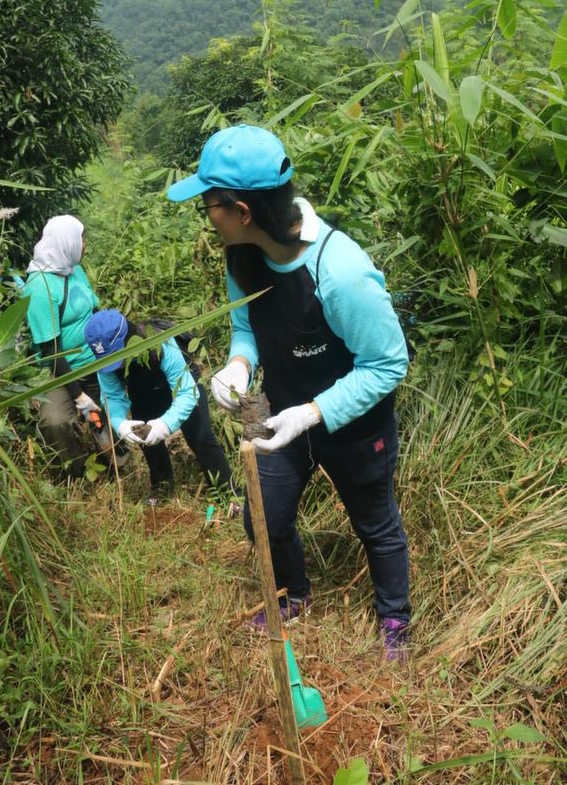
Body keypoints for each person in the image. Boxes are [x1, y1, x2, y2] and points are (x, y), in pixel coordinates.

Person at [167, 125, 410, 658]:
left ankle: (394, 623)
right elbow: (248, 329)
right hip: (278, 412)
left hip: (353, 421)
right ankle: (292, 596)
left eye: (210, 203)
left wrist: (315, 413)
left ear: (242, 211)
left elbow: (388, 364)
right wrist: (237, 365)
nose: (206, 215)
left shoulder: (339, 269)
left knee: (376, 524)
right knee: (263, 516)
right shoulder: (242, 255)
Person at [84, 308, 240, 504]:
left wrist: (165, 425)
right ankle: (161, 486)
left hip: (183, 385)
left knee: (200, 436)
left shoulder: (161, 343)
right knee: (147, 437)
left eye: (117, 355)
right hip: (144, 392)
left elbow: (185, 393)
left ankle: (229, 492)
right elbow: (113, 398)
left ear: (129, 338)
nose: (115, 364)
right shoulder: (105, 363)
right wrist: (120, 424)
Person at [22, 214, 128, 478]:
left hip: (94, 360)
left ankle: (116, 466)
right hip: (57, 371)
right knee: (56, 422)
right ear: (65, 242)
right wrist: (78, 395)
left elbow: (94, 308)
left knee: (112, 409)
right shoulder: (39, 288)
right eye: (81, 239)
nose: (85, 244)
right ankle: (75, 474)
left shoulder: (74, 269)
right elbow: (51, 351)